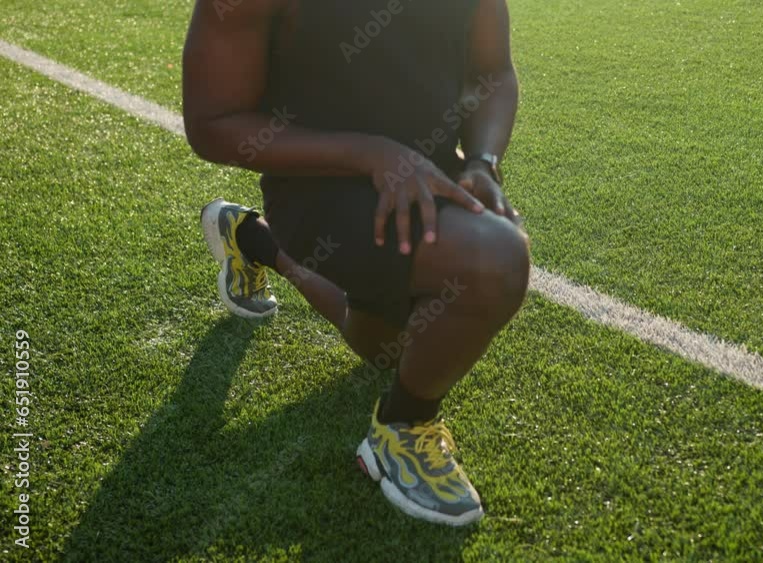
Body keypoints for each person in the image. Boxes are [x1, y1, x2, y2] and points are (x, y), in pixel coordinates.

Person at [182, 0, 529, 526]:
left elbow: (492, 72)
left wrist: (482, 160)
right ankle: (401, 429)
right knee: (495, 258)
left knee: (384, 350)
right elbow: (212, 123)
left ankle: (253, 242)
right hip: (319, 188)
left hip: (425, 175)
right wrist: (369, 154)